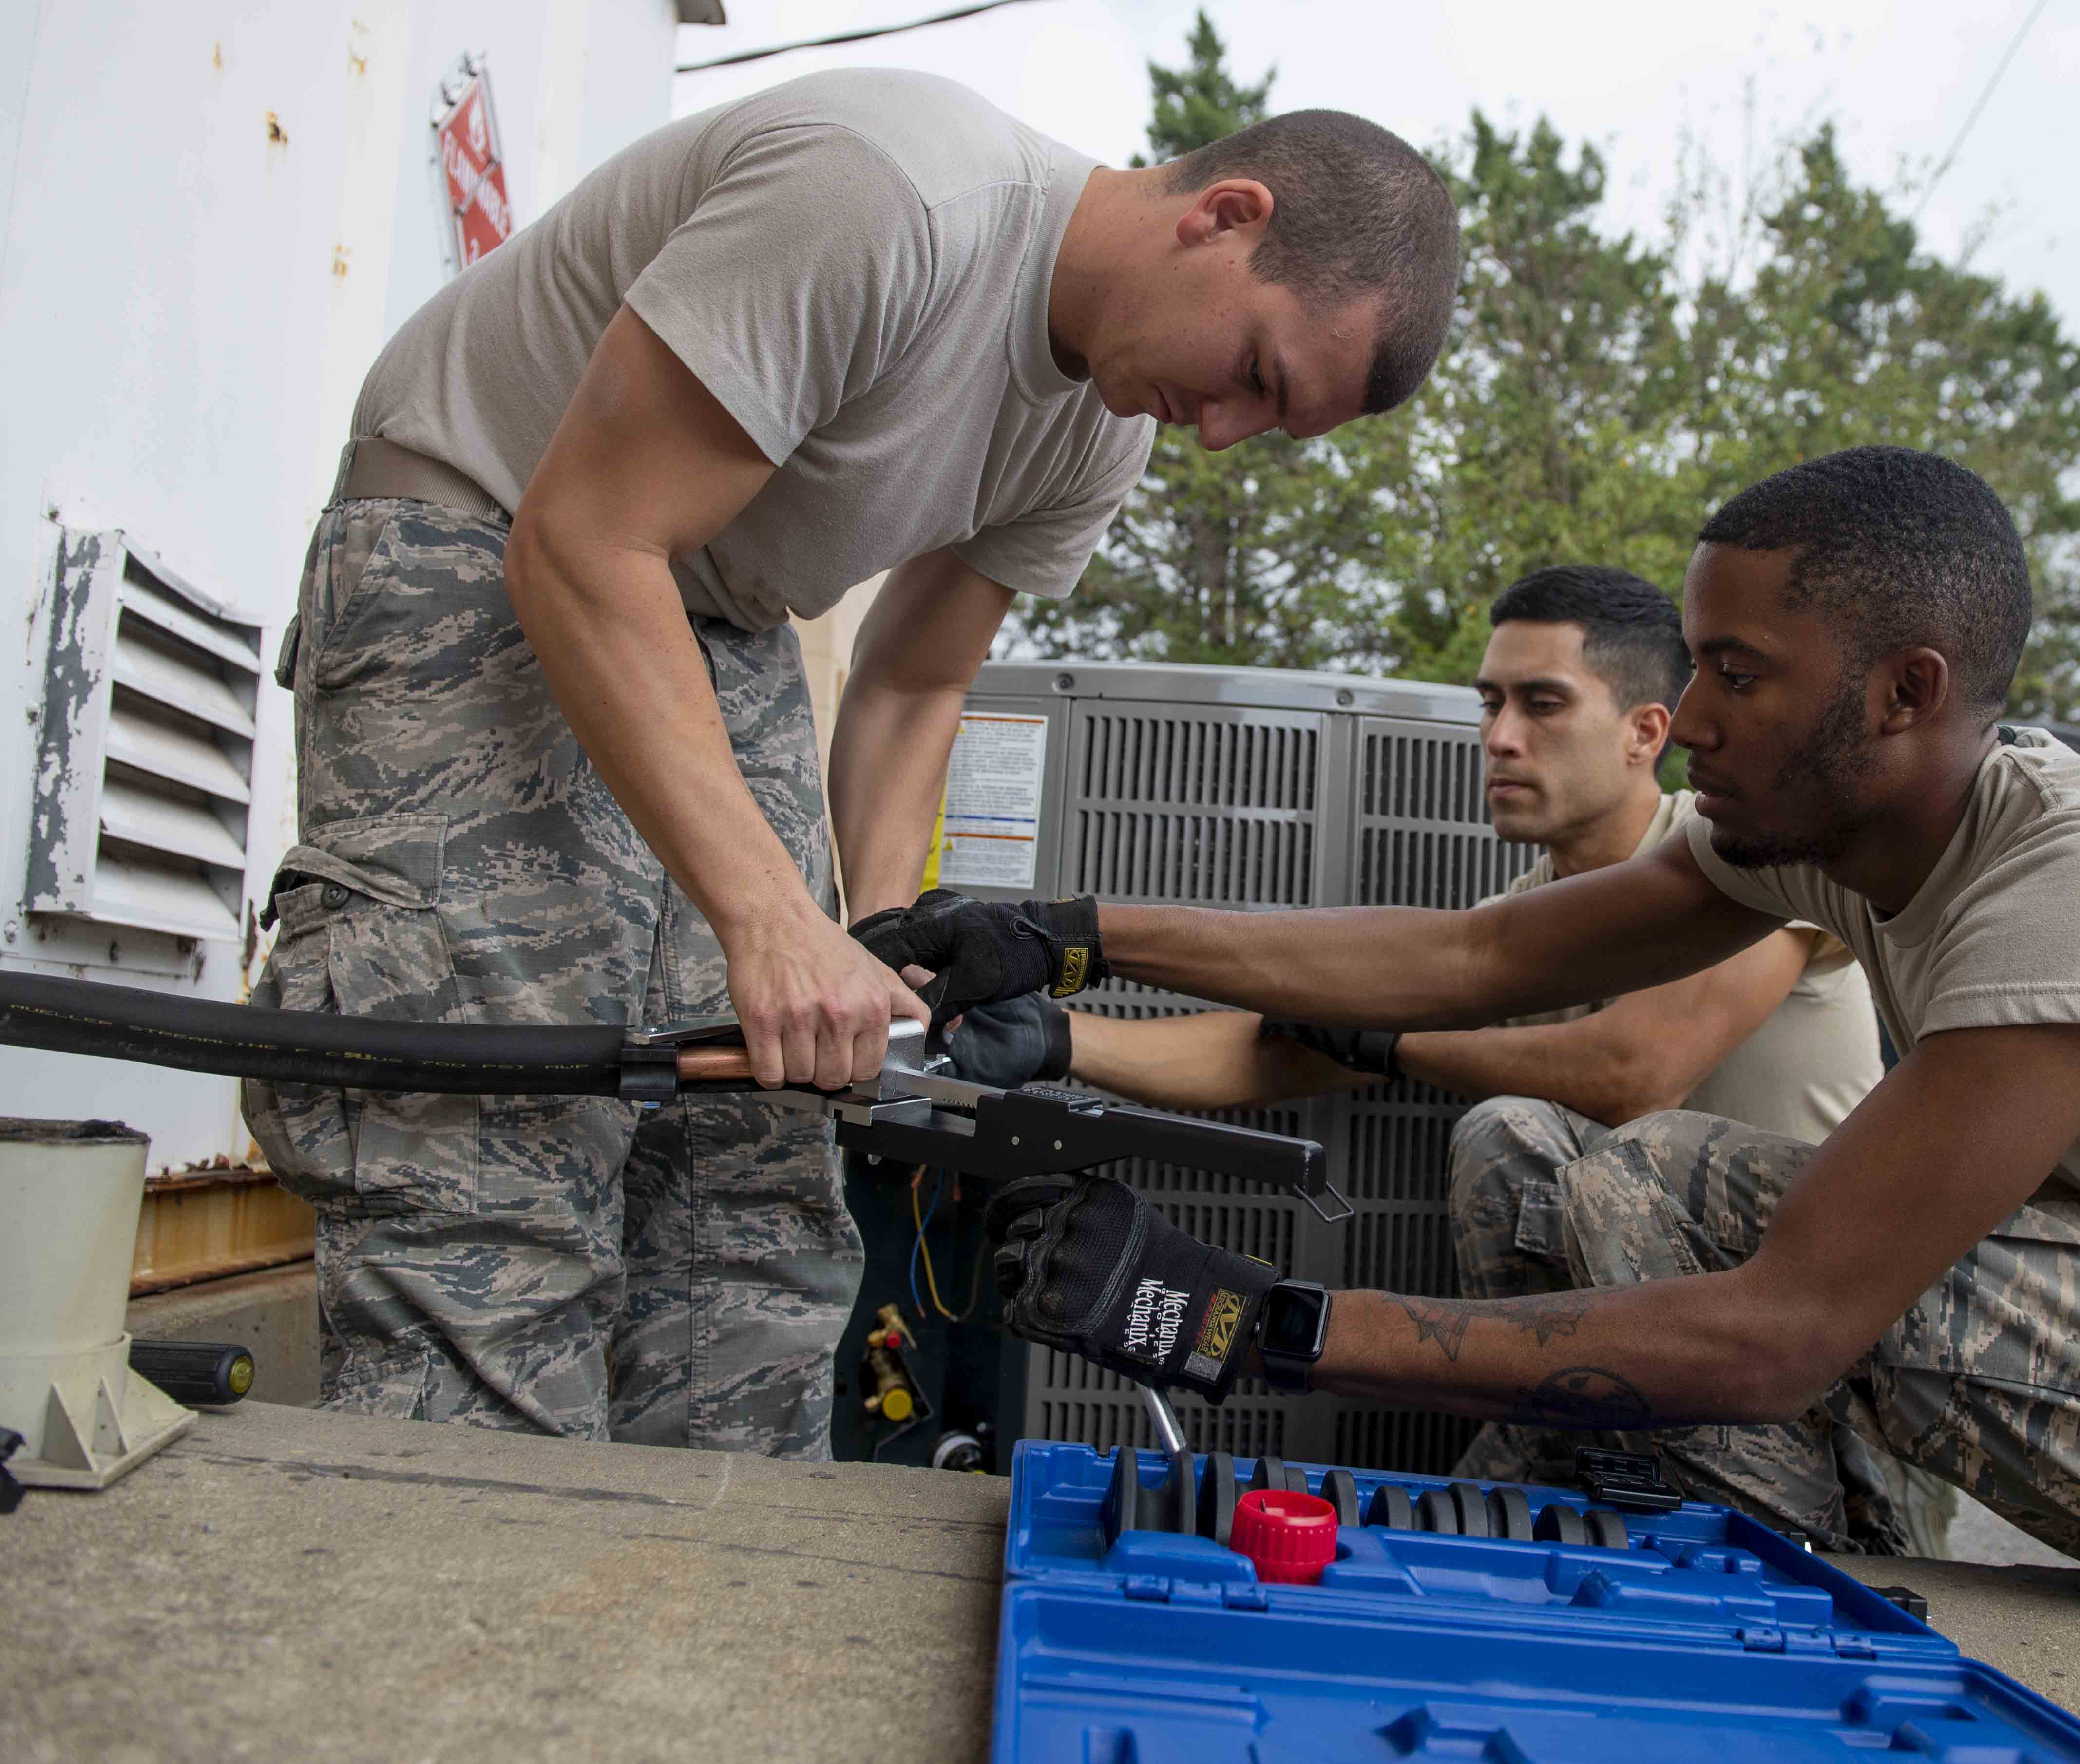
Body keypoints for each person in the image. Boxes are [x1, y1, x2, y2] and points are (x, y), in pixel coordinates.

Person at [862, 447, 2080, 1650]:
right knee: (1566, 1165)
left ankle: (1743, 1563)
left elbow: (1787, 1329)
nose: (1682, 720)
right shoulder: (1814, 835)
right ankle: (1683, 1574)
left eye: (1733, 675)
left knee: (1805, 1242)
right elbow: (1476, 954)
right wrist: (1080, 931)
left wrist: (1247, 1324)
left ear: (1906, 692)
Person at [241, 69, 1460, 1458]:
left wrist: (878, 955)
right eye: (1255, 375)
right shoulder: (894, 195)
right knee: (492, 1176)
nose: (1226, 429)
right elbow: (583, 541)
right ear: (1224, 217)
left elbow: (914, 678)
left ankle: (707, 1622)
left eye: (1272, 425)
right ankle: (449, 1627)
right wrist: (770, 916)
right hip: (488, 537)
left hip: (719, 617)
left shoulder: (1102, 424)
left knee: (758, 1174)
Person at [953, 564, 1937, 1552]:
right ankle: (1568, 1470)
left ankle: (1786, 1534)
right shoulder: (1523, 918)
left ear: (1648, 730)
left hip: (1826, 1373)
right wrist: (1060, 1038)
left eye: (1543, 703)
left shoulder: (1752, 861)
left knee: (1512, 1128)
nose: (1501, 736)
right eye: (1492, 702)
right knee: (1514, 1136)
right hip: (1640, 1362)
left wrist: (1390, 1031)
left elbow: (1637, 1069)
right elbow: (1291, 1052)